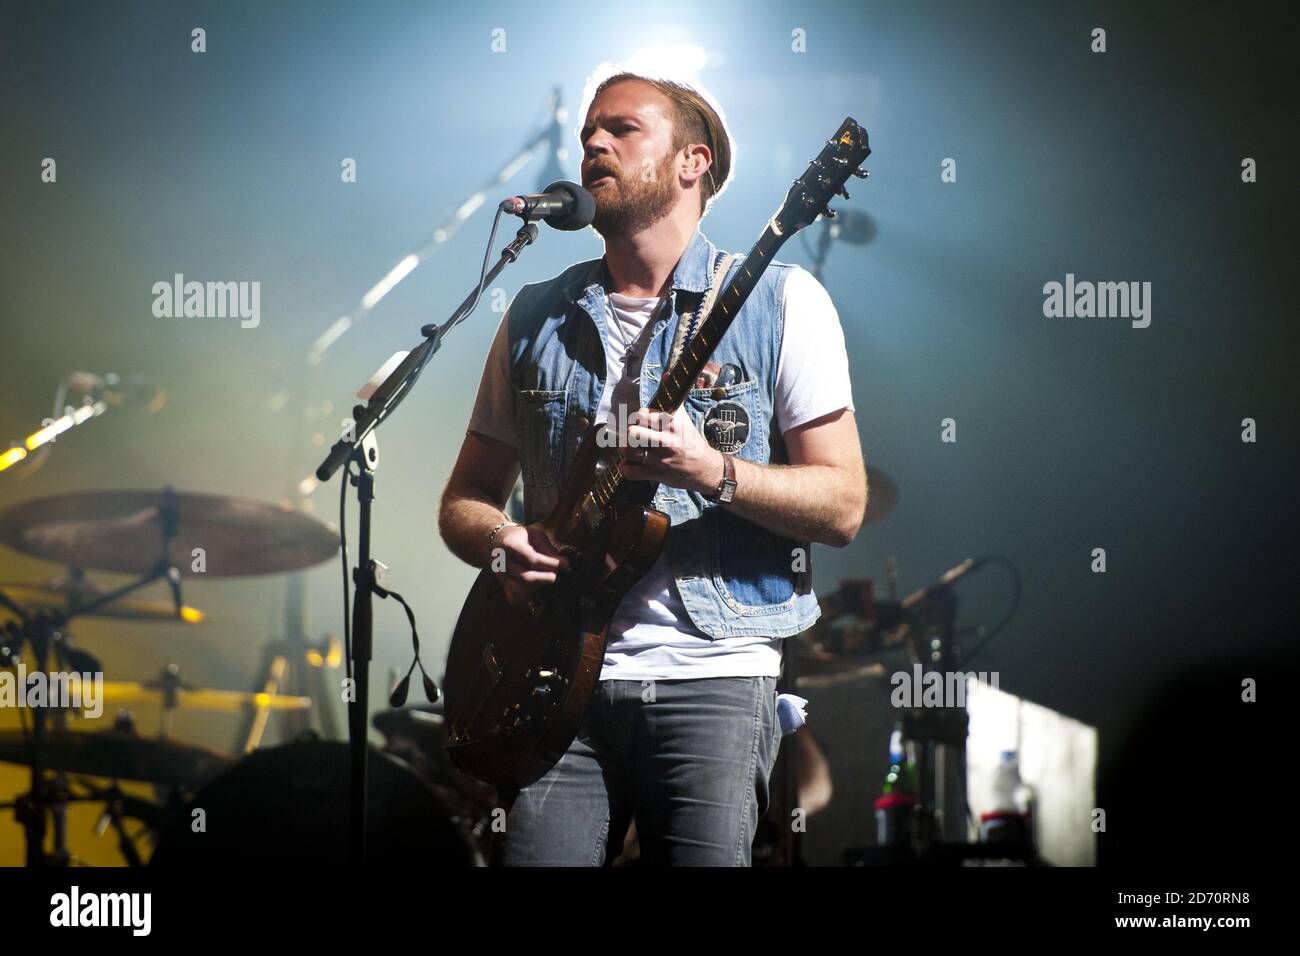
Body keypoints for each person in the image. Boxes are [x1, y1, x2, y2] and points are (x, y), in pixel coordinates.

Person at [439, 69, 867, 865]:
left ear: (690, 162)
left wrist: (716, 472)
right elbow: (465, 498)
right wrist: (502, 542)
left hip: (713, 678)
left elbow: (842, 505)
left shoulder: (783, 303)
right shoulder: (534, 315)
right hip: (548, 687)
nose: (593, 144)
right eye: (587, 133)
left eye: (622, 129)